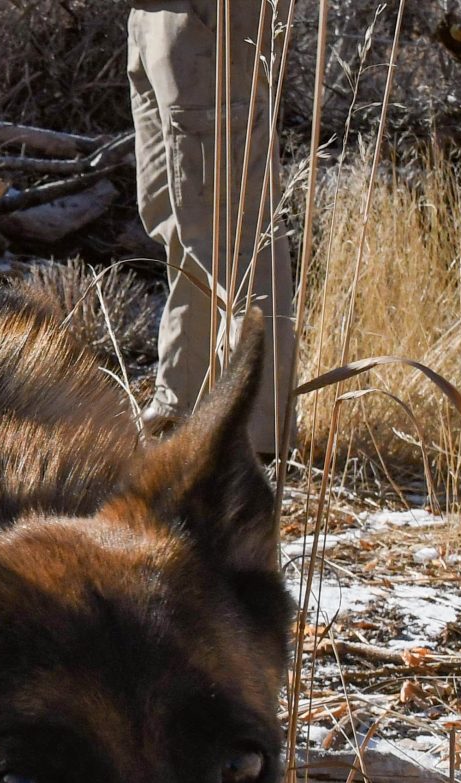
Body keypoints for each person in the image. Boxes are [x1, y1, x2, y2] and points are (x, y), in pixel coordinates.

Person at [129, 0, 296, 459]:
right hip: (152, 18)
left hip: (208, 17)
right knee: (179, 225)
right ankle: (180, 419)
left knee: (236, 239)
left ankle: (251, 447)